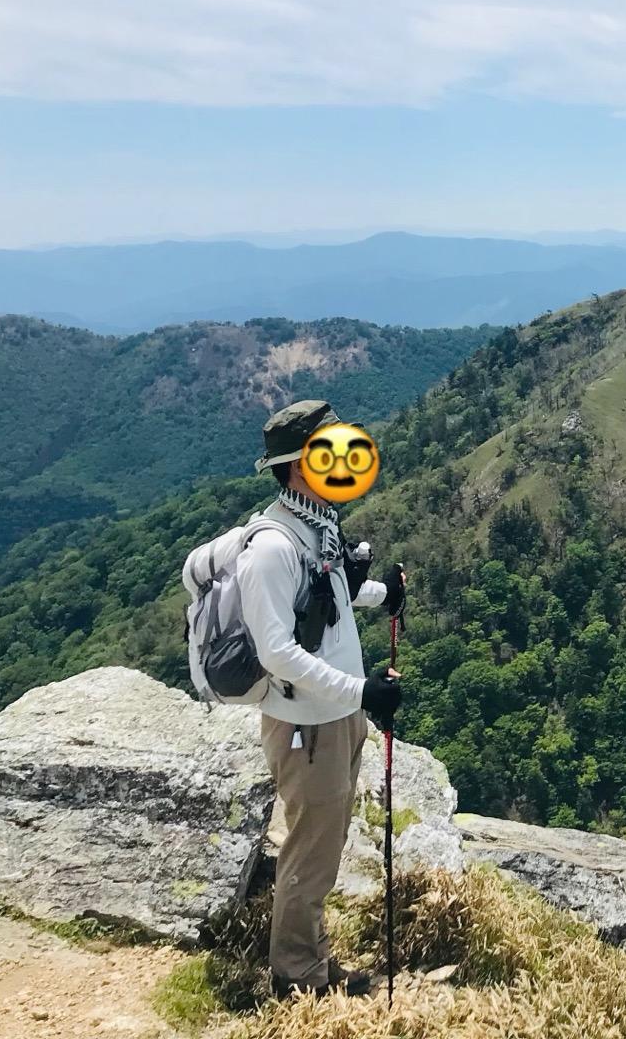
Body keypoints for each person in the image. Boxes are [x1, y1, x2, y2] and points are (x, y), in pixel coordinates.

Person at [243, 398, 407, 998]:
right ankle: (296, 979)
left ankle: (311, 961)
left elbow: (330, 601)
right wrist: (360, 689)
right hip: (307, 726)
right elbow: (276, 652)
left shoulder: (317, 525)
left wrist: (381, 593)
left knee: (326, 843)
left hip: (337, 718)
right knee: (310, 853)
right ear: (294, 467)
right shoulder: (272, 547)